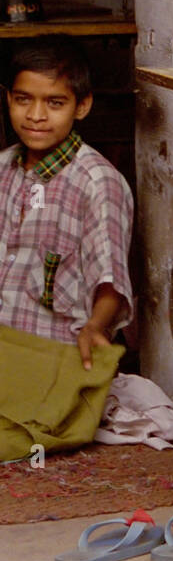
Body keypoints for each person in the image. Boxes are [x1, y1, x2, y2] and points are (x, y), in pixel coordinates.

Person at [0, 40, 134, 460]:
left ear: (82, 106)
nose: (36, 115)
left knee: (25, 431)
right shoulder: (2, 168)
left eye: (54, 103)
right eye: (23, 100)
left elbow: (108, 269)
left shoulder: (97, 183)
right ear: (8, 99)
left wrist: (97, 326)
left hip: (51, 351)